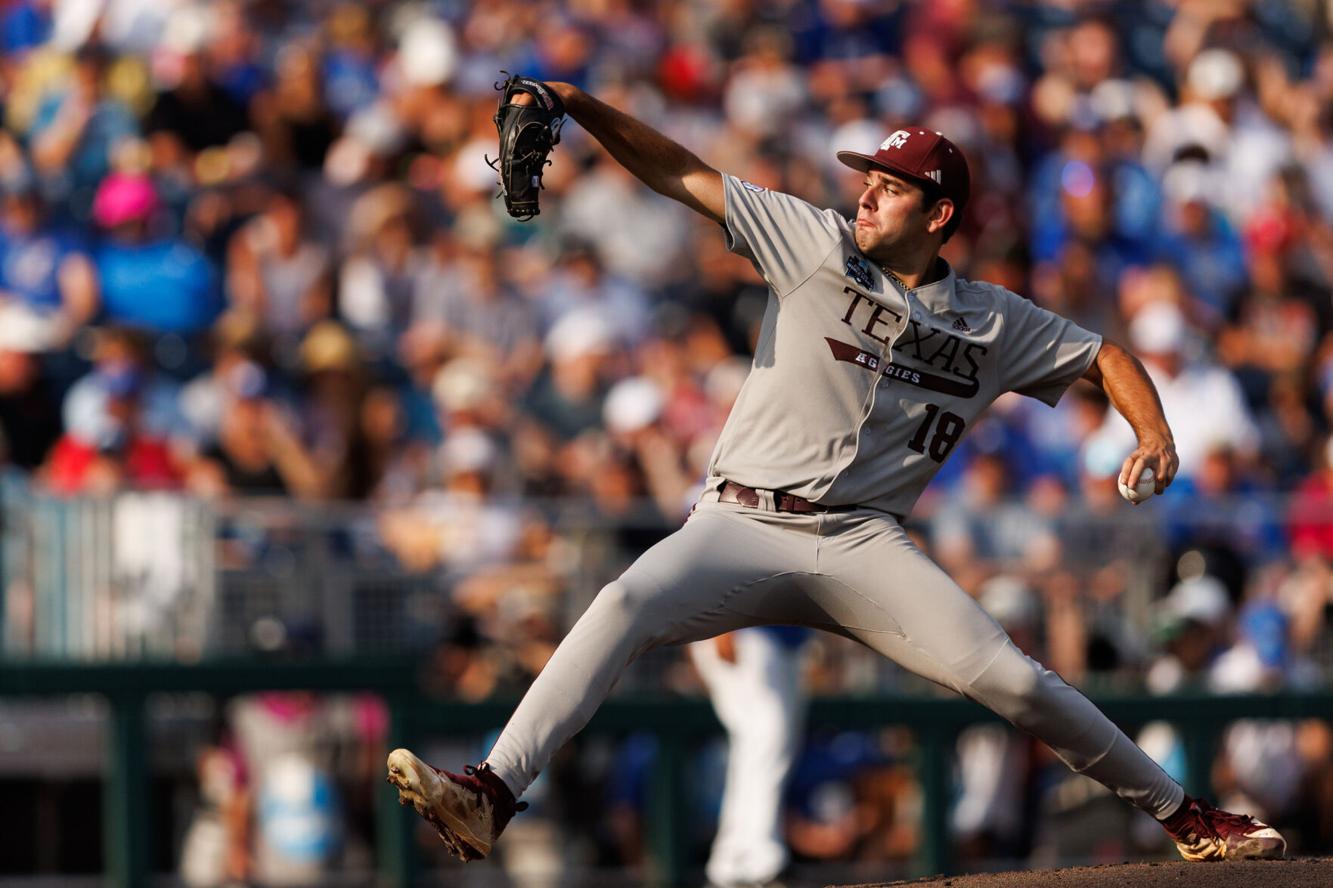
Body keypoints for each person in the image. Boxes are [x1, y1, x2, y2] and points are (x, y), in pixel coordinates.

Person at [386, 78, 1286, 866]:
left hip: (862, 541)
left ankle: (1186, 815)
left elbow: (1104, 356)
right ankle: (493, 790)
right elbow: (679, 172)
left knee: (1013, 680)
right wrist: (579, 105)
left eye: (890, 187)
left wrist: (1152, 431)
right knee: (619, 604)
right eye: (867, 179)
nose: (866, 195)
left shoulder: (991, 319)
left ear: (937, 216)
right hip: (738, 524)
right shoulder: (811, 241)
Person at [689, 627, 808, 888]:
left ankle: (733, 860)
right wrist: (722, 627)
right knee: (765, 742)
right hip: (745, 630)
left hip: (784, 636)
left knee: (762, 749)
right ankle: (760, 861)